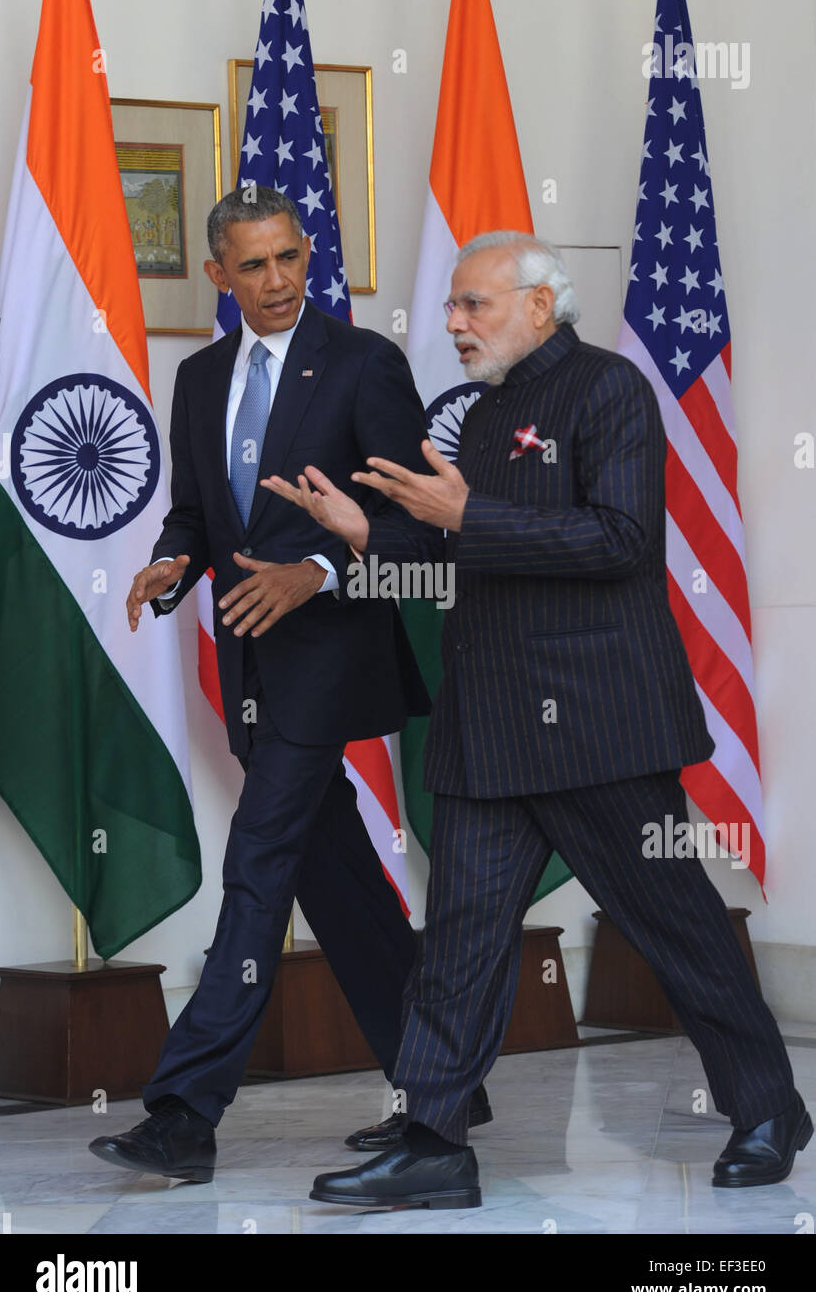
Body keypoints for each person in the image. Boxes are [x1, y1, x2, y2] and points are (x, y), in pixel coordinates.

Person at [263, 231, 812, 1210]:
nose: (453, 323)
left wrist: (466, 515)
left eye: (473, 304)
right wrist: (364, 543)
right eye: (451, 308)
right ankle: (433, 1137)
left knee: (675, 928)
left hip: (599, 726)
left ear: (537, 304)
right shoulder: (480, 420)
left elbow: (621, 540)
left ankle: (768, 1108)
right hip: (488, 731)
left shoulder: (608, 393)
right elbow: (450, 575)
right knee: (460, 939)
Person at [88, 187, 488, 1184]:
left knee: (257, 864)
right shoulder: (199, 378)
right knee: (333, 874)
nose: (275, 282)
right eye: (252, 266)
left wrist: (312, 571)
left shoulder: (363, 363)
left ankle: (184, 1112)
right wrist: (174, 562)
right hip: (250, 665)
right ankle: (439, 1081)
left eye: (288, 259)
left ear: (306, 253)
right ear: (218, 274)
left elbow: (416, 530)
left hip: (332, 656)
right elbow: (196, 514)